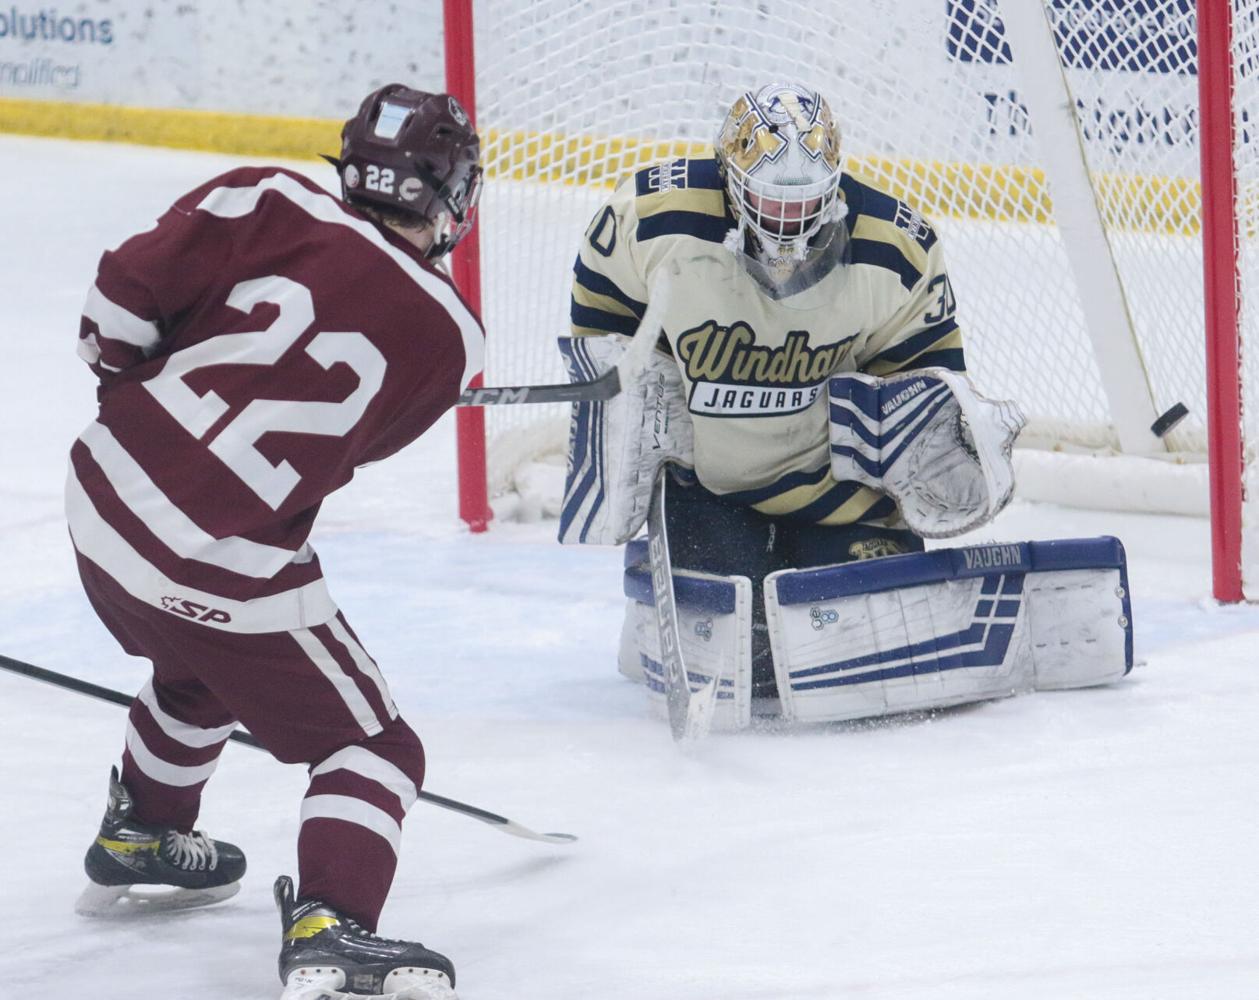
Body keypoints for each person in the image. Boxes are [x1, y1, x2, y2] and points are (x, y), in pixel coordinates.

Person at [69, 83, 483, 1000]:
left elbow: (115, 316)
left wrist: (147, 418)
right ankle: (333, 924)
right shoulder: (453, 339)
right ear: (451, 197)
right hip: (220, 560)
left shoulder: (264, 195)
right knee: (375, 745)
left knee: (204, 665)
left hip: (99, 497)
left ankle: (144, 827)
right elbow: (341, 455)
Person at [558, 82, 1023, 713]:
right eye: (769, 200)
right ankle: (651, 623)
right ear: (728, 179)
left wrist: (950, 432)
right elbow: (601, 305)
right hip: (711, 488)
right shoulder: (655, 217)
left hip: (841, 492)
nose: (788, 221)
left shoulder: (898, 250)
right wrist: (632, 381)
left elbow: (927, 378)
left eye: (807, 200)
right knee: (743, 670)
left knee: (865, 661)